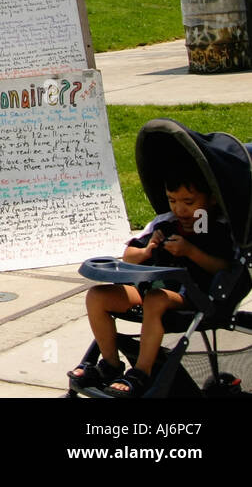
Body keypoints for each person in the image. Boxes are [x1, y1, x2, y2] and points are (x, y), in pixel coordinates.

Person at [69, 167, 233, 396]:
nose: (180, 209)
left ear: (212, 198)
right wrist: (147, 250)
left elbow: (226, 267)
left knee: (156, 299)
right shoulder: (166, 223)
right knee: (97, 296)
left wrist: (191, 252)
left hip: (194, 295)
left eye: (188, 201)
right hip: (153, 289)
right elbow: (128, 256)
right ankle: (110, 364)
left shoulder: (216, 229)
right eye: (172, 200)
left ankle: (142, 373)